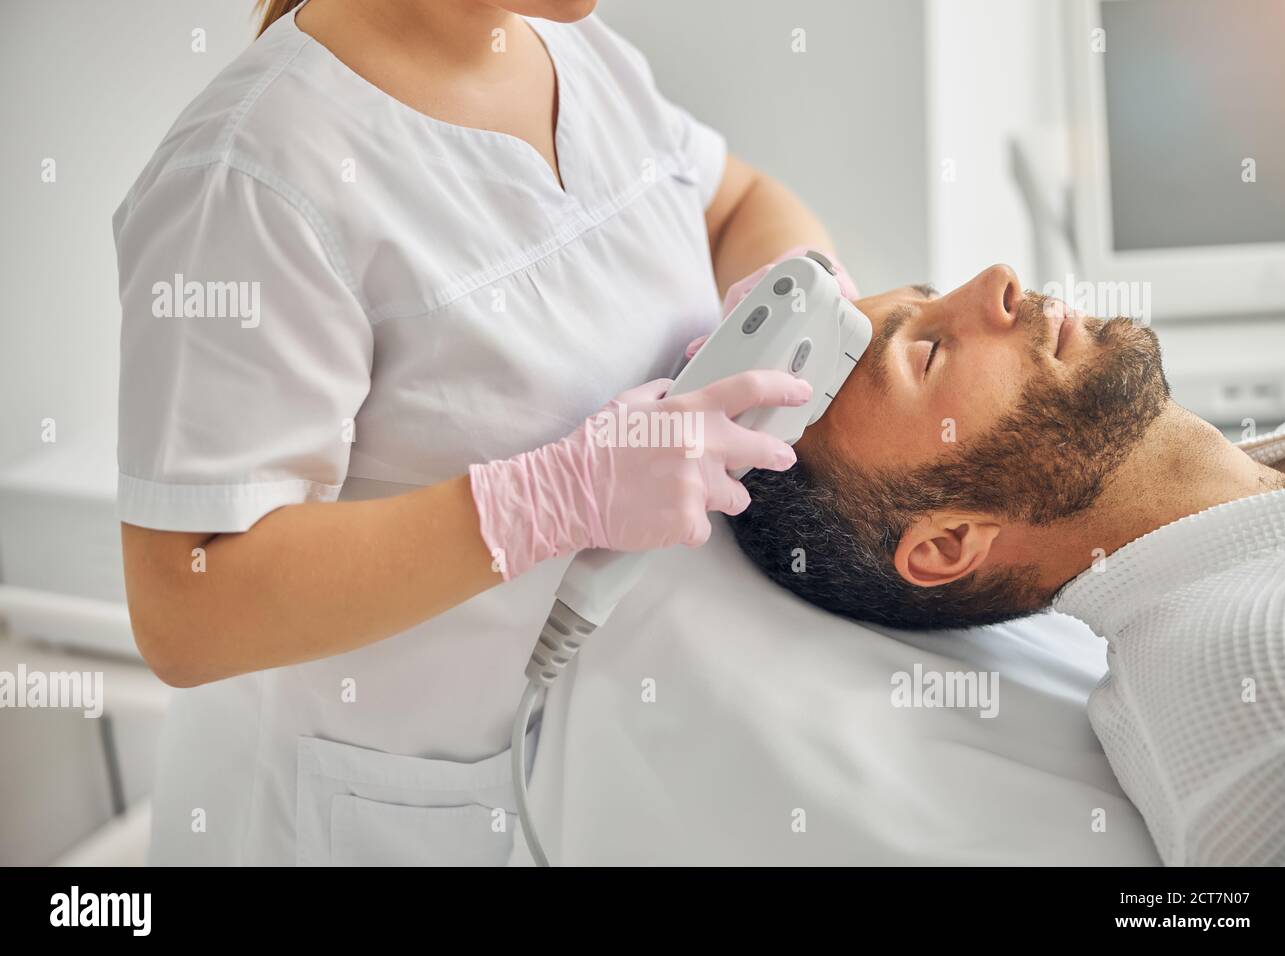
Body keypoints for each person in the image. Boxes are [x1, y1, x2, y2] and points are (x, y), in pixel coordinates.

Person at [115, 0, 853, 865]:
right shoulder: (249, 171)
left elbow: (737, 204)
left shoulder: (576, 52)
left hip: (610, 778)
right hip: (376, 818)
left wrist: (805, 289)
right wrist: (541, 502)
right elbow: (186, 613)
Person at [729, 264, 1285, 865]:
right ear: (949, 544)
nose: (996, 281)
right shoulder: (1256, 682)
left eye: (929, 297)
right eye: (928, 353)